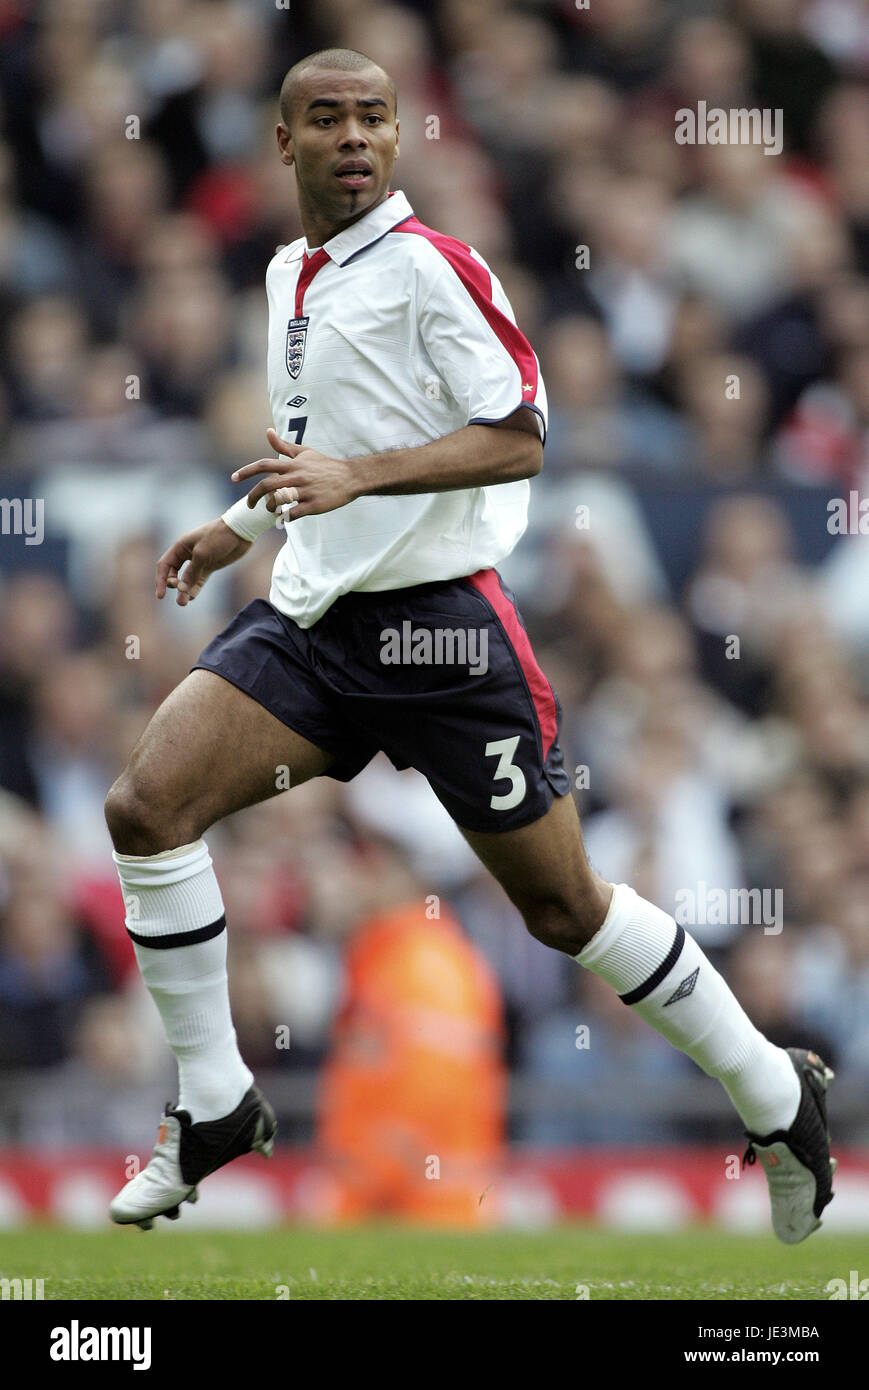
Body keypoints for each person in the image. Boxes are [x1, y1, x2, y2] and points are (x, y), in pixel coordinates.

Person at [104, 48, 834, 1243]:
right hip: (314, 620)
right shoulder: (291, 270)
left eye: (374, 118)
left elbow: (522, 432)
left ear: (399, 137)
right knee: (145, 807)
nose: (353, 137)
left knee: (561, 907)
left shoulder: (436, 269)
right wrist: (240, 529)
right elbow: (325, 439)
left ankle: (769, 1090)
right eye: (327, 119)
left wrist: (357, 480)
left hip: (444, 630)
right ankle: (214, 1101)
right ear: (282, 145)